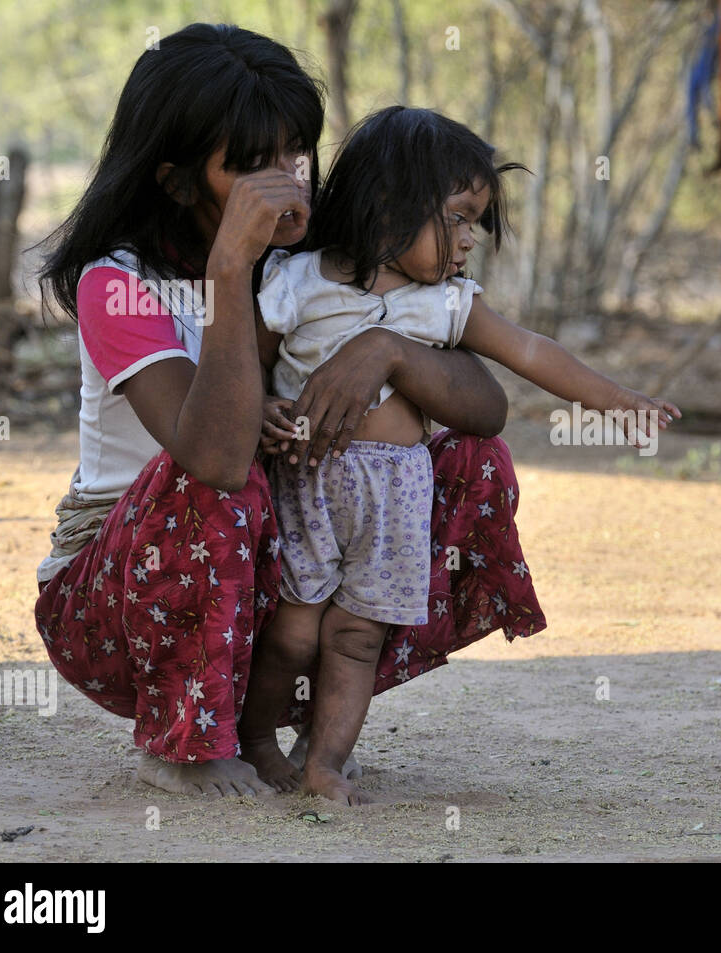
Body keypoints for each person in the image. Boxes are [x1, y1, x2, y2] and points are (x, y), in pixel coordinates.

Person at [34, 24, 535, 798]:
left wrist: (387, 350)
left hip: (269, 577)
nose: (286, 181)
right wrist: (229, 269)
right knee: (224, 485)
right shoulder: (120, 284)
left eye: (295, 153)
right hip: (122, 604)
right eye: (253, 165)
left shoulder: (318, 266)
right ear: (175, 181)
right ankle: (183, 737)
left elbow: (486, 408)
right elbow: (215, 458)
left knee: (469, 463)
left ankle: (313, 715)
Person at [238, 107, 681, 804]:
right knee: (293, 633)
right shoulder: (296, 282)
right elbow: (248, 370)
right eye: (460, 217)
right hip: (309, 486)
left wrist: (618, 401)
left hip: (397, 500)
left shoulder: (444, 303)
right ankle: (257, 740)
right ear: (389, 205)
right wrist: (262, 406)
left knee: (356, 637)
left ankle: (324, 760)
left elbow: (532, 351)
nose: (472, 239)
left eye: (477, 221)